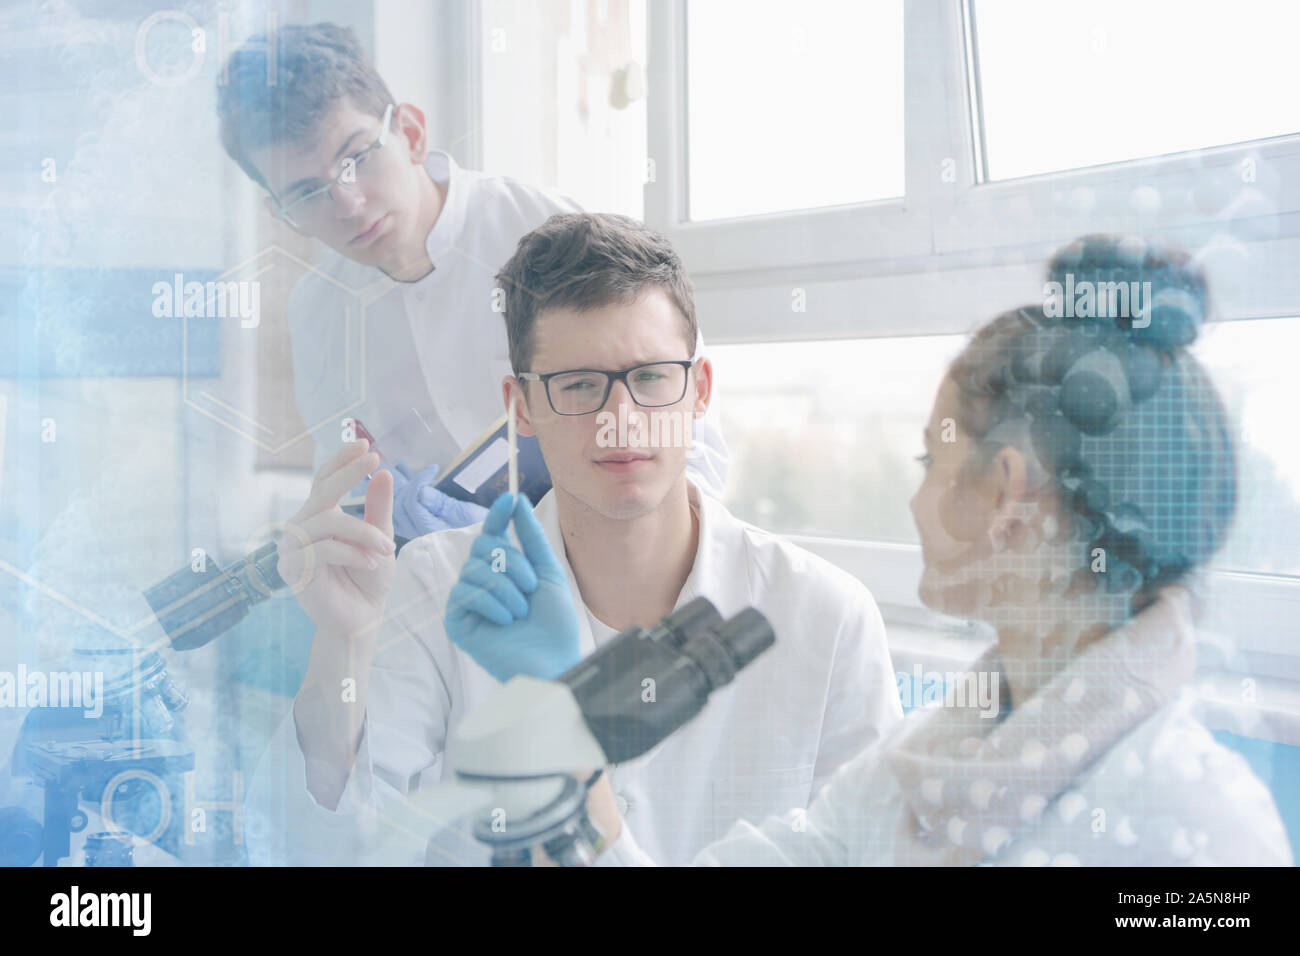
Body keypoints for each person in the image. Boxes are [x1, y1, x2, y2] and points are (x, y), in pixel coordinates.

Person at [574, 234, 1293, 866]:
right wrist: (571, 782)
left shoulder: (1197, 820)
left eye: (931, 462)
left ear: (1007, 493)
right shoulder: (923, 765)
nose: (916, 504)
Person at [245, 213, 901, 865]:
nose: (621, 421)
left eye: (650, 378)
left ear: (698, 390)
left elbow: (879, 852)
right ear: (521, 406)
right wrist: (341, 646)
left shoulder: (828, 617)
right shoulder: (440, 582)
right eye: (581, 385)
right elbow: (322, 848)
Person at [216, 23, 728, 540]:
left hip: (606, 582)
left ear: (411, 133)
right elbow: (345, 486)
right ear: (280, 214)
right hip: (440, 597)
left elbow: (693, 453)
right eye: (306, 192)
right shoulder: (318, 312)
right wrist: (378, 519)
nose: (347, 203)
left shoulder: (550, 230)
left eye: (356, 158)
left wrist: (541, 536)